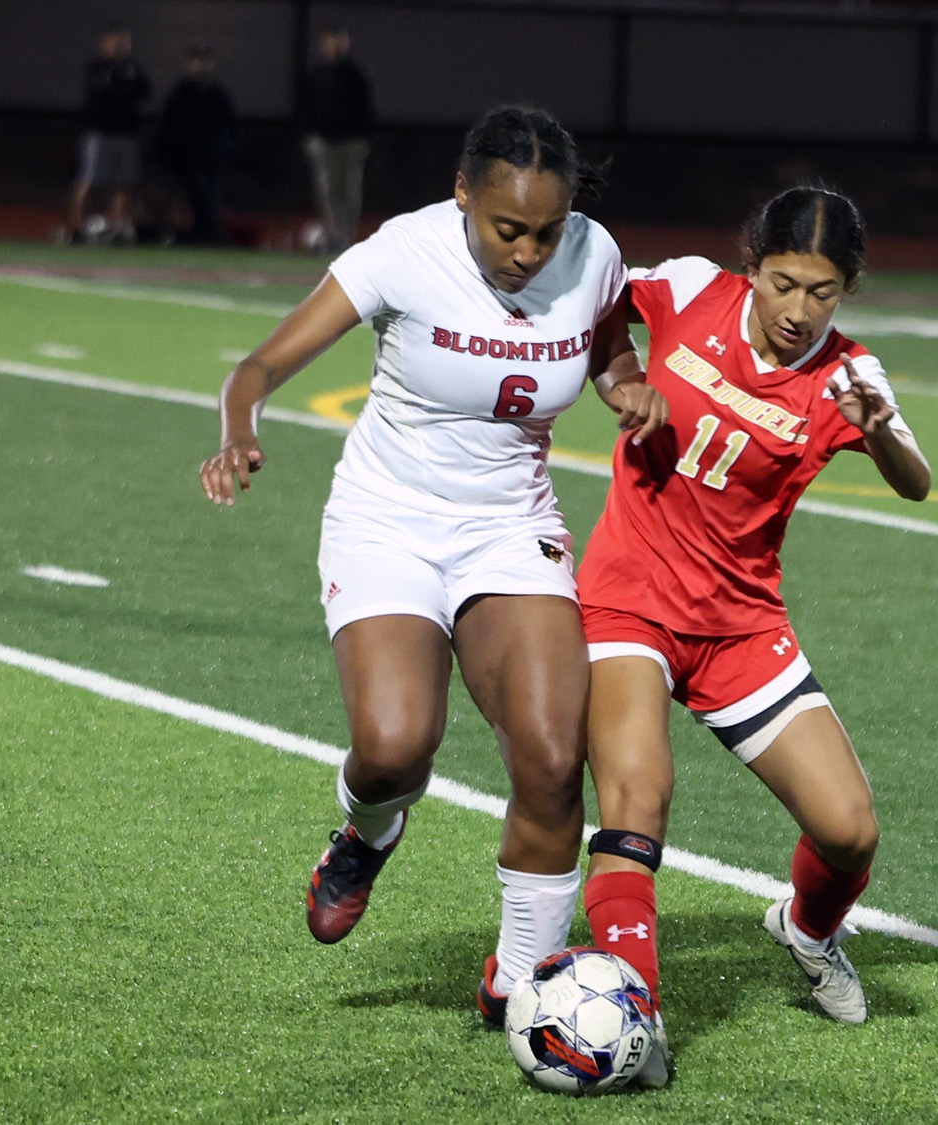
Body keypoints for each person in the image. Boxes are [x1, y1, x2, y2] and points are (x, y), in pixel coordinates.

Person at [197, 105, 666, 1032]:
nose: (529, 252)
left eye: (546, 231)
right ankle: (368, 830)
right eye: (508, 228)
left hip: (510, 527)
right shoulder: (402, 252)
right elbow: (257, 366)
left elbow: (608, 344)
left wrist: (627, 385)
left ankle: (522, 987)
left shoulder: (594, 252)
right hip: (389, 521)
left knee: (550, 758)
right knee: (393, 747)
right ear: (462, 194)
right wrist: (236, 433)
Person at [575, 188, 932, 1080]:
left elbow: (917, 480)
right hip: (628, 597)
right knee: (638, 796)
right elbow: (596, 299)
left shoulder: (849, 374)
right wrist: (623, 377)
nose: (798, 309)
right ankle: (637, 1011)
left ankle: (807, 930)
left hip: (739, 626)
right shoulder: (691, 290)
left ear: (847, 288)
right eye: (782, 283)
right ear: (751, 268)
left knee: (850, 831)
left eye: (822, 291)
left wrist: (881, 434)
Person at [68, 22, 149, 244]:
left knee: (125, 183)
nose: (121, 46)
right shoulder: (96, 67)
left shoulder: (132, 68)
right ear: (105, 43)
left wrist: (124, 87)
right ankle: (77, 228)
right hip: (100, 133)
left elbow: (144, 91)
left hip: (126, 134)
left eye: (125, 42)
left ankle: (118, 227)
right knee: (90, 179)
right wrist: (122, 88)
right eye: (117, 41)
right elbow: (103, 93)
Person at [298, 26, 374, 254]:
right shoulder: (316, 75)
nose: (335, 45)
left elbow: (366, 108)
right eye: (331, 40)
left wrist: (363, 138)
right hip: (324, 142)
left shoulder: (356, 76)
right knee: (327, 190)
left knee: (350, 191)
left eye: (339, 40)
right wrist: (311, 136)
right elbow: (306, 107)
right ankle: (332, 236)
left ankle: (347, 237)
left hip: (351, 143)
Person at [155, 44, 237, 245]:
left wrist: (228, 148)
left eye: (204, 62)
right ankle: (203, 233)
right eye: (197, 62)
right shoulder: (180, 92)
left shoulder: (217, 93)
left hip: (214, 155)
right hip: (189, 156)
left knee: (212, 196)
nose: (201, 67)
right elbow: (168, 123)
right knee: (197, 195)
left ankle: (208, 234)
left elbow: (231, 123)